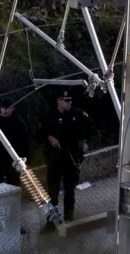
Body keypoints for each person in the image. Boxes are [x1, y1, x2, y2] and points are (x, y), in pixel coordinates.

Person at [42, 89, 94, 222]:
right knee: (52, 193)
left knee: (69, 192)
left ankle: (69, 220)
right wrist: (49, 138)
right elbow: (40, 133)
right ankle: (51, 221)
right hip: (54, 158)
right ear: (58, 101)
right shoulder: (49, 115)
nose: (69, 102)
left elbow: (90, 125)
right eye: (66, 100)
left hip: (70, 157)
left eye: (70, 100)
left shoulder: (77, 114)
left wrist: (85, 141)